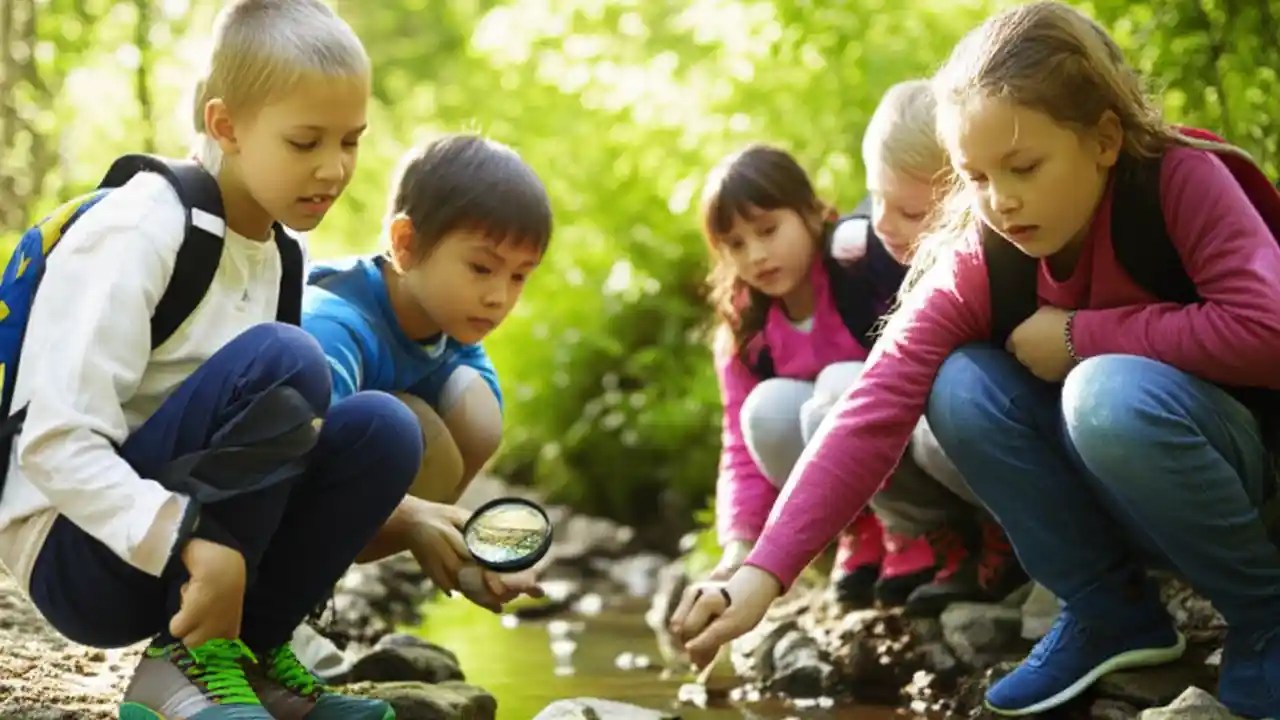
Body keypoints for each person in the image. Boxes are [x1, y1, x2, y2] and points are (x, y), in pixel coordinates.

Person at [671, 3, 1280, 718]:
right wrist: (759, 574)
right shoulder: (984, 250)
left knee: (1104, 390)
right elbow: (874, 403)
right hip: (1121, 495)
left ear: (1105, 139)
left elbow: (1266, 326)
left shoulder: (1178, 180)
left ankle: (1263, 617)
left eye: (1023, 167)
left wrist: (1086, 334)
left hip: (1238, 479)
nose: (1001, 201)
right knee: (955, 384)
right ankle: (1108, 609)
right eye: (976, 178)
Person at [0, 2, 403, 719]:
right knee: (289, 359)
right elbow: (53, 445)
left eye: (351, 141)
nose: (335, 168)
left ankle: (250, 658)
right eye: (306, 141)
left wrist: (418, 518)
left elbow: (269, 446)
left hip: (175, 542)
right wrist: (189, 538)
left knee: (382, 430)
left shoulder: (282, 253)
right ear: (226, 126)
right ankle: (176, 672)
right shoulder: (139, 229)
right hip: (77, 549)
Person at [699, 140, 991, 611]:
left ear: (810, 213)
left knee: (838, 385)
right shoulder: (746, 332)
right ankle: (867, 534)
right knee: (765, 411)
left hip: (914, 445)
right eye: (735, 244)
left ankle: (933, 528)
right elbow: (739, 448)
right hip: (844, 481)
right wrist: (738, 547)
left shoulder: (857, 268)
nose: (756, 254)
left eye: (768, 230)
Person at [302, 134, 551, 609]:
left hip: (346, 481)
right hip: (242, 493)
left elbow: (454, 471)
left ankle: (314, 586)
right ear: (406, 245)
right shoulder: (333, 322)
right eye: (482, 267)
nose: (499, 296)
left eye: (519, 276)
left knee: (478, 416)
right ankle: (277, 599)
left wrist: (474, 563)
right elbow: (291, 450)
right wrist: (410, 517)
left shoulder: (452, 329)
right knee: (400, 425)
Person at [842, 79, 1025, 615]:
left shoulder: (1001, 262)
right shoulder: (868, 249)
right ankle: (955, 541)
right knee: (848, 405)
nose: (882, 222)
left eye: (911, 213)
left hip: (1008, 435)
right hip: (946, 435)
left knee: (945, 410)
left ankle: (1025, 541)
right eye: (876, 197)